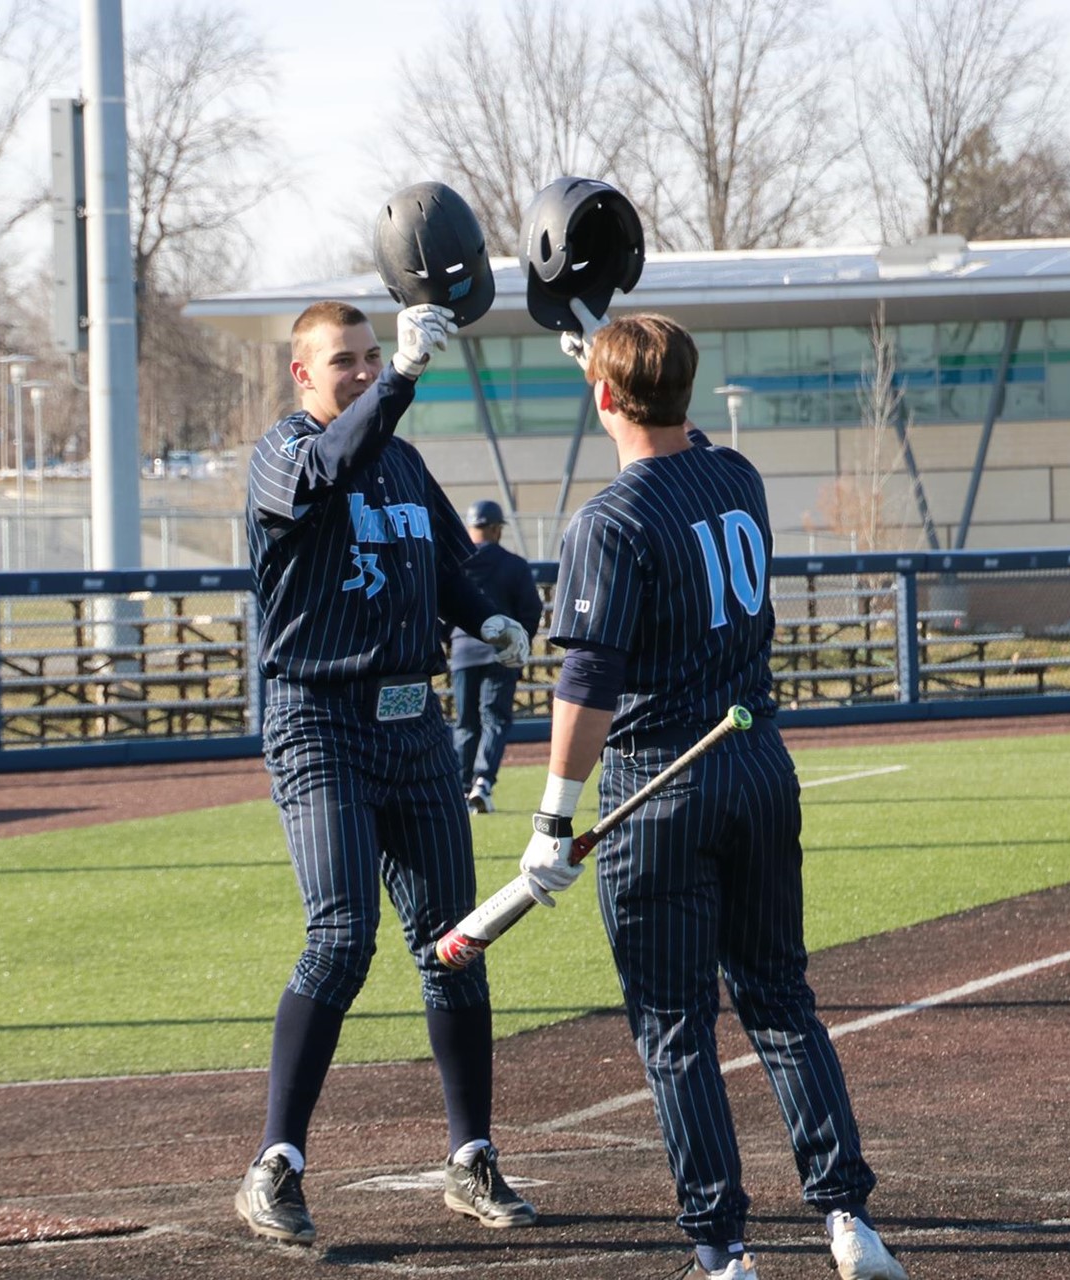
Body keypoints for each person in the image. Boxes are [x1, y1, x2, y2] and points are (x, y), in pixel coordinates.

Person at [518, 313, 908, 1280]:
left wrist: (552, 819)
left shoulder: (605, 522)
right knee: (780, 1000)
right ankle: (848, 1220)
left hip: (660, 784)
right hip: (758, 764)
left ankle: (722, 1249)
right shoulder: (737, 475)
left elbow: (587, 685)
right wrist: (615, 368)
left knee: (675, 1025)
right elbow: (679, 436)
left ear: (603, 398)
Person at [235, 299, 538, 1246]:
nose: (365, 370)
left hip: (415, 727)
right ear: (302, 374)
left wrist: (487, 617)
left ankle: (471, 1156)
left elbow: (448, 565)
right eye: (347, 360)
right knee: (341, 936)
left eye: (374, 356)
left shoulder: (404, 461)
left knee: (457, 942)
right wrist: (403, 378)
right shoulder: (284, 452)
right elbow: (329, 468)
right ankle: (275, 1163)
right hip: (320, 719)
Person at [449, 499, 545, 814]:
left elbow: (442, 609)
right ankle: (482, 783)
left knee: (465, 723)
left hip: (463, 652)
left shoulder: (455, 563)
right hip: (500, 653)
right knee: (494, 720)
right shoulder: (514, 564)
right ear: (495, 529)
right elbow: (531, 610)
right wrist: (520, 644)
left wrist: (451, 641)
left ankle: (461, 788)